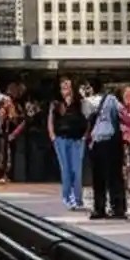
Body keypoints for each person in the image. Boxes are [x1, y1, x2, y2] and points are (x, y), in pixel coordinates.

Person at [87, 80, 127, 219]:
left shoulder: (88, 102)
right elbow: (123, 113)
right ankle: (117, 207)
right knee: (113, 176)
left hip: (98, 140)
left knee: (100, 178)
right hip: (110, 141)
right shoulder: (111, 99)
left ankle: (100, 208)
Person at [48, 77, 87, 209]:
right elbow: (50, 120)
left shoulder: (79, 102)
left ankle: (78, 198)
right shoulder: (56, 104)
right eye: (63, 86)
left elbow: (87, 119)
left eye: (68, 86)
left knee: (77, 169)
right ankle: (68, 197)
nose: (66, 89)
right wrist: (52, 135)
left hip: (77, 139)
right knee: (66, 169)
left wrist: (85, 136)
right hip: (61, 139)